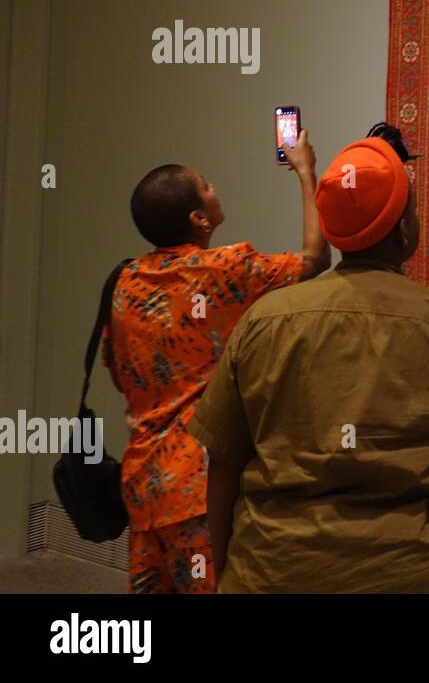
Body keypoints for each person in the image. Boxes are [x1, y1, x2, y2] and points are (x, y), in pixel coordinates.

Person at [189, 123, 429, 593]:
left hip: (272, 571)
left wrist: (225, 566)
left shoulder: (263, 321)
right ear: (404, 226)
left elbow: (223, 462)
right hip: (421, 575)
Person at [103, 133, 329, 594]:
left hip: (142, 482)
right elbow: (314, 259)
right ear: (198, 218)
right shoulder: (223, 270)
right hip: (196, 484)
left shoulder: (125, 281)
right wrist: (306, 173)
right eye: (207, 186)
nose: (215, 187)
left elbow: (117, 370)